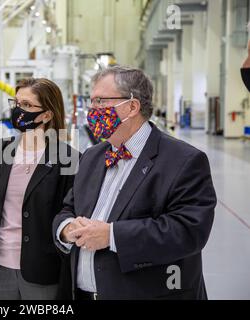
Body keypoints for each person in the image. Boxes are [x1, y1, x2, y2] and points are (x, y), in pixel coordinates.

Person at [53, 66, 217, 300]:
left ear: (132, 106)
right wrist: (66, 228)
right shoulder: (92, 156)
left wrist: (111, 236)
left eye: (100, 101)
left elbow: (189, 231)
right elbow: (68, 208)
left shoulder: (184, 160)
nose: (93, 110)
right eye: (92, 102)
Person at [0, 78, 80, 300]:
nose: (18, 111)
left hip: (43, 272)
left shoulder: (69, 159)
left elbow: (68, 218)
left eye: (27, 105)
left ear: (47, 115)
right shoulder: (0, 151)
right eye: (16, 103)